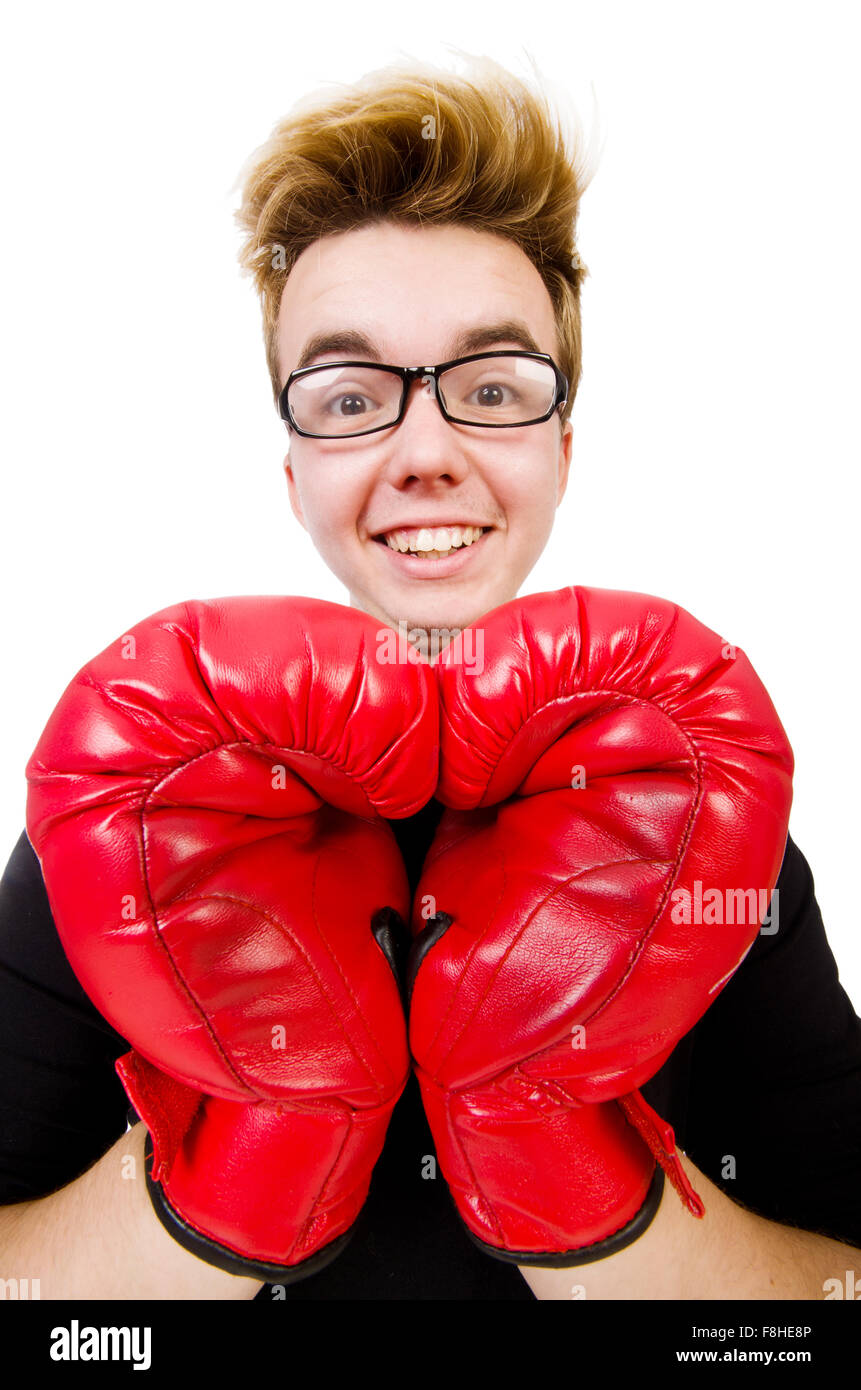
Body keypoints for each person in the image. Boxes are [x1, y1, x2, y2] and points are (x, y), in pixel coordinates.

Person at [1, 57, 859, 1302]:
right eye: (351, 397)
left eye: (492, 388)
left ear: (561, 453)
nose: (424, 451)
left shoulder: (709, 840)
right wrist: (231, 1171)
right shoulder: (135, 824)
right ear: (294, 474)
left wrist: (570, 1161)